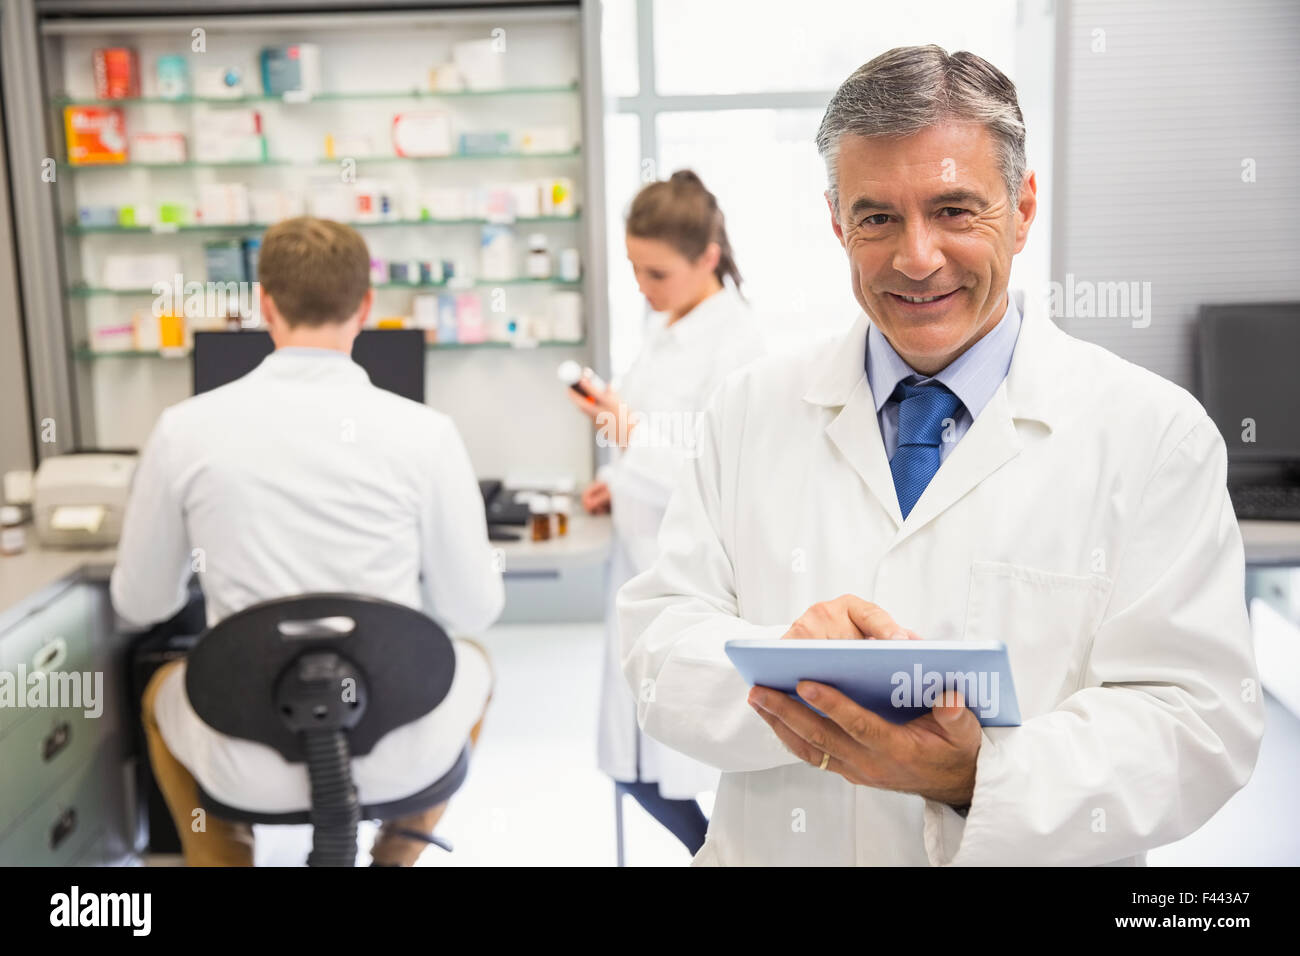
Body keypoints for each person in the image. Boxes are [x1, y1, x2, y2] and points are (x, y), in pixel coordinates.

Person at [617, 45, 1264, 866]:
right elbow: (656, 646)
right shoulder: (750, 410)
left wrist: (978, 777)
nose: (915, 258)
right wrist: (794, 669)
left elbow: (1200, 722)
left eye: (956, 210)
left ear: (1024, 209)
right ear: (835, 222)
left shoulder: (1154, 436)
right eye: (877, 216)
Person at [112, 217, 504, 866]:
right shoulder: (425, 433)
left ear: (264, 303)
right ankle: (392, 860)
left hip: (246, 754)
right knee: (477, 665)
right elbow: (472, 610)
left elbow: (141, 603)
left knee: (160, 693)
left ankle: (226, 860)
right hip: (394, 752)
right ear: (367, 306)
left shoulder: (185, 430)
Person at [565, 170, 766, 856]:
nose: (644, 288)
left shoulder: (737, 345)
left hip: (688, 581)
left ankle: (721, 856)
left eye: (656, 272)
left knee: (671, 762)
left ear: (708, 257)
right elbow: (652, 448)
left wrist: (626, 436)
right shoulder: (667, 326)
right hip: (639, 564)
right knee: (631, 763)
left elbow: (719, 475)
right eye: (634, 270)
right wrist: (615, 480)